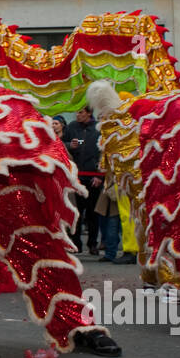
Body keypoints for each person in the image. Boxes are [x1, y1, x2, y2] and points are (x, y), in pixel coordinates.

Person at [63, 105, 102, 255]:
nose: (77, 115)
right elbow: (62, 144)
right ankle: (76, 243)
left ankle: (93, 244)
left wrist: (99, 175)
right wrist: (69, 145)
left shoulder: (98, 128)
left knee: (93, 213)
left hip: (93, 177)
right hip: (77, 177)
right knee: (76, 212)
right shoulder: (72, 127)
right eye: (76, 112)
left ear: (89, 113)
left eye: (80, 112)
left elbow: (103, 152)